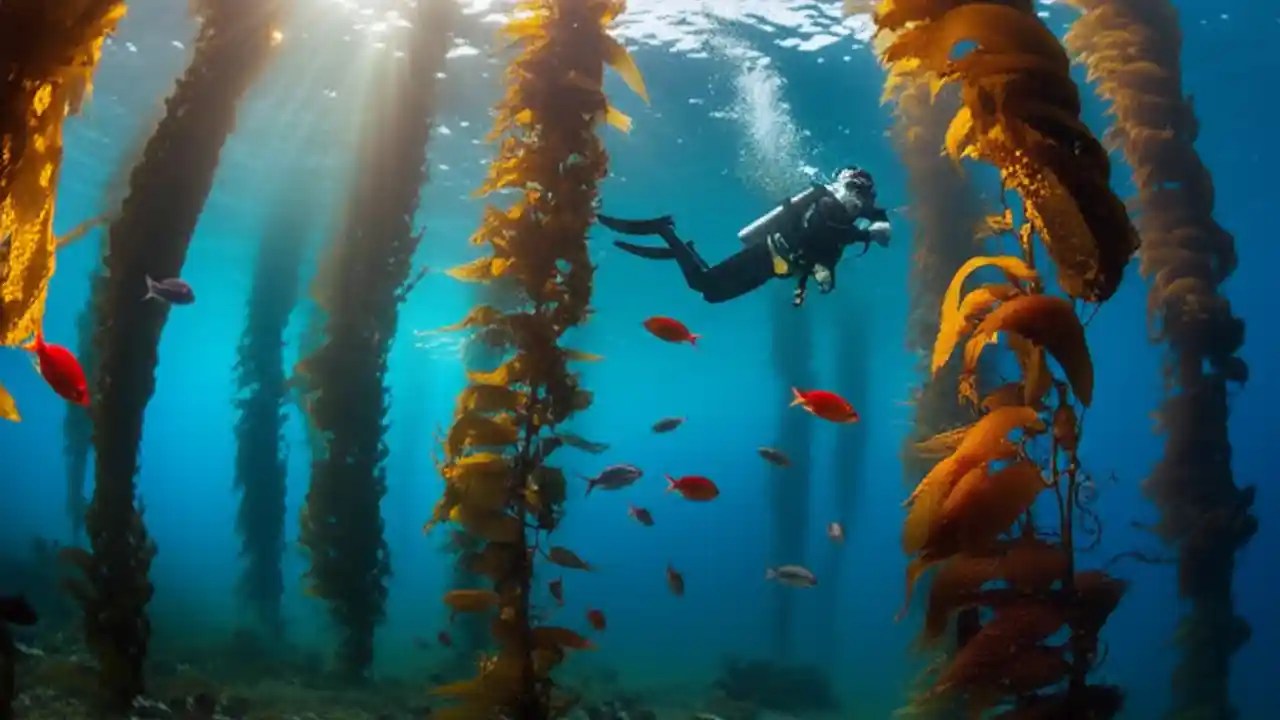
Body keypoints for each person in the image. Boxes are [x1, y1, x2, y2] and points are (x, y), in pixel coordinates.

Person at [598, 166, 892, 307]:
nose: (859, 202)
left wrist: (824, 277)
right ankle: (665, 230)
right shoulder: (829, 205)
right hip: (767, 253)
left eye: (864, 198)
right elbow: (821, 230)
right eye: (859, 195)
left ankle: (683, 251)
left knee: (712, 295)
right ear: (849, 190)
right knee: (702, 284)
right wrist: (866, 235)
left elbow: (825, 250)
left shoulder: (847, 221)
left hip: (776, 268)